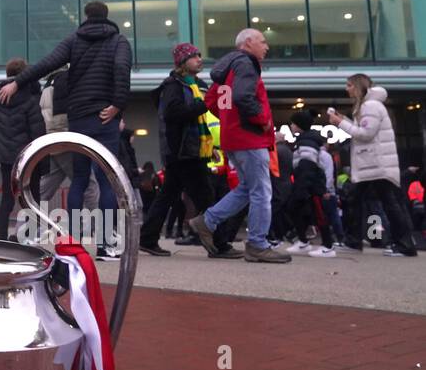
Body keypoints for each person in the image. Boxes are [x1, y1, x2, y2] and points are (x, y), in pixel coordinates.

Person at [0, 0, 132, 261]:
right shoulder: (119, 41)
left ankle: (71, 242)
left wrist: (16, 83)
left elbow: (46, 64)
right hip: (105, 118)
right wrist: (117, 105)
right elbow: (121, 69)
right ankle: (105, 246)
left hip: (80, 118)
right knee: (106, 180)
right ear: (107, 16)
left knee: (79, 178)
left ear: (86, 16)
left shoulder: (75, 40)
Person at [188, 29, 290, 263]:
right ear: (248, 43)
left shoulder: (227, 69)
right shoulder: (246, 64)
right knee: (261, 192)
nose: (266, 46)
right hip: (249, 138)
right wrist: (262, 120)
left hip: (233, 138)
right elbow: (244, 97)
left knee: (247, 189)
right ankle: (257, 244)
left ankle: (207, 221)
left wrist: (228, 118)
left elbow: (211, 101)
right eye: (263, 42)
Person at [140, 43, 241, 258]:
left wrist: (210, 146)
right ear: (182, 63)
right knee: (206, 197)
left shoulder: (198, 84)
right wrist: (204, 104)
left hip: (192, 151)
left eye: (199, 55)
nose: (199, 59)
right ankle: (220, 244)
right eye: (194, 57)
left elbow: (203, 121)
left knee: (167, 195)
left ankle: (147, 239)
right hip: (183, 152)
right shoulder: (172, 85)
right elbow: (173, 114)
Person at [328, 75, 418, 257]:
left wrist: (341, 123)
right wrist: (345, 120)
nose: (347, 89)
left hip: (375, 164)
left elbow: (366, 134)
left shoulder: (370, 106)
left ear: (358, 87)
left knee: (383, 203)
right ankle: (359, 241)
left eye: (349, 85)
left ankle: (403, 244)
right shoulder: (370, 106)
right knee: (368, 201)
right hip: (373, 164)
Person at [0, 57, 45, 241]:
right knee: (31, 199)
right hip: (28, 158)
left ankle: (1, 239)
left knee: (7, 200)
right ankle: (28, 238)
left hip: (7, 158)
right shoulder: (31, 99)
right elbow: (38, 131)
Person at [284, 111, 337, 257]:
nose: (291, 126)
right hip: (308, 183)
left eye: (293, 123)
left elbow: (307, 165)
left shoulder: (306, 141)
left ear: (299, 125)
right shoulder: (306, 140)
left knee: (318, 214)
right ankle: (303, 241)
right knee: (300, 211)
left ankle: (328, 246)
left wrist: (302, 187)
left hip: (311, 185)